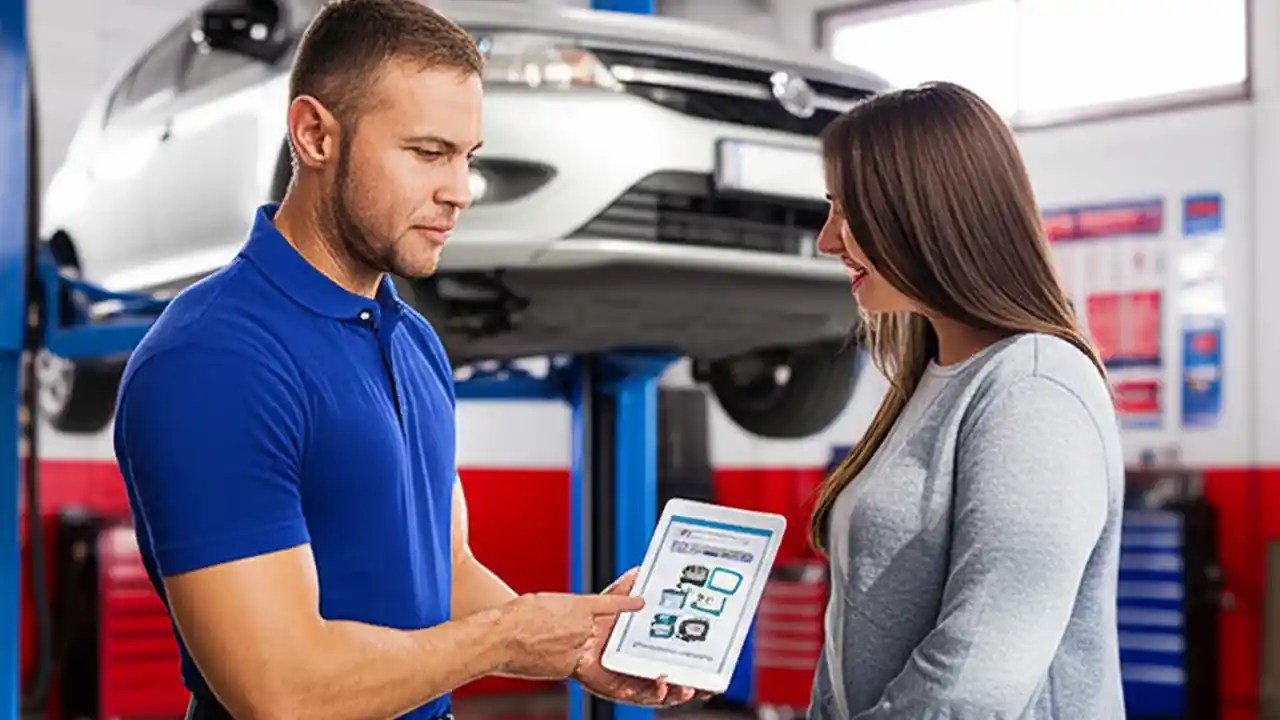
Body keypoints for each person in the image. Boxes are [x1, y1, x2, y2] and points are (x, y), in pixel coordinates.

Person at [111, 1, 702, 718]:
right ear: (315, 134)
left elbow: (442, 572)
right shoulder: (213, 359)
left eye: (467, 156)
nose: (460, 191)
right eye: (428, 153)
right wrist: (507, 637)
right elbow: (283, 692)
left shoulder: (413, 340)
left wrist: (579, 645)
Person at [806, 82, 1126, 719]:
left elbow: (974, 683)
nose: (828, 239)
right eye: (831, 208)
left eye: (850, 211)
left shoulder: (1034, 388)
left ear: (925, 211)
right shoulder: (932, 378)